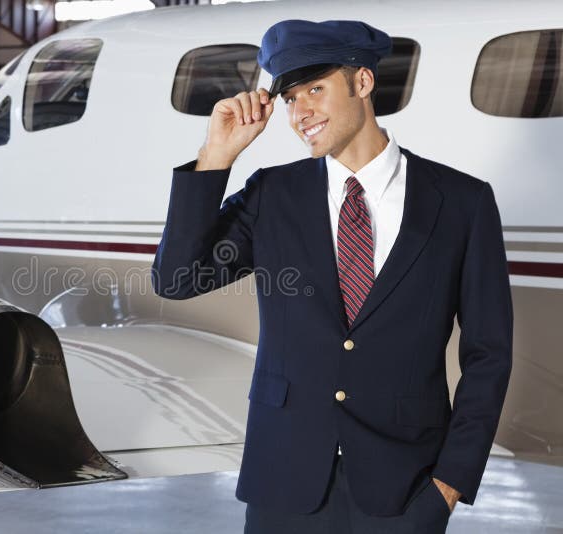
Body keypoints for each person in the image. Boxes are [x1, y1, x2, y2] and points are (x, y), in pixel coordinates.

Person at [151, 19, 513, 534]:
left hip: (406, 490)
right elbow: (176, 280)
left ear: (362, 83)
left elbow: (488, 355)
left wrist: (450, 485)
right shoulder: (271, 194)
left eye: (315, 90)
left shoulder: (462, 203)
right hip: (284, 485)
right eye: (291, 98)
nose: (301, 113)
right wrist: (217, 157)